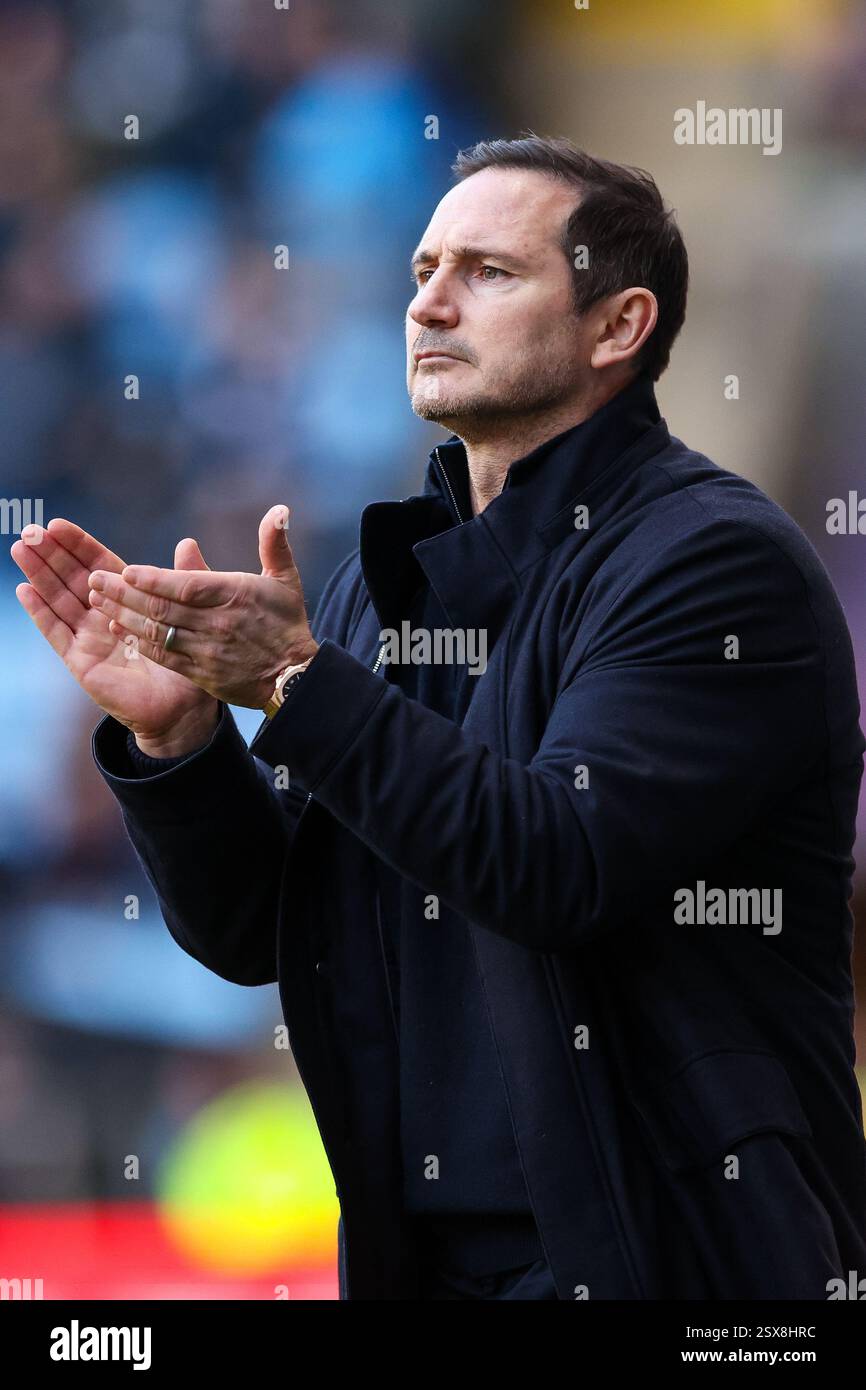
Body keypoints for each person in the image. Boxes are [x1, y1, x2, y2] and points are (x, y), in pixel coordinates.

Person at [12, 136, 866, 1300]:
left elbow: (556, 862)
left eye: (487, 272)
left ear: (617, 326)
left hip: (676, 1264)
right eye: (421, 269)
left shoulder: (712, 563)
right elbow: (266, 931)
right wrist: (181, 744)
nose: (428, 300)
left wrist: (302, 688)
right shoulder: (384, 579)